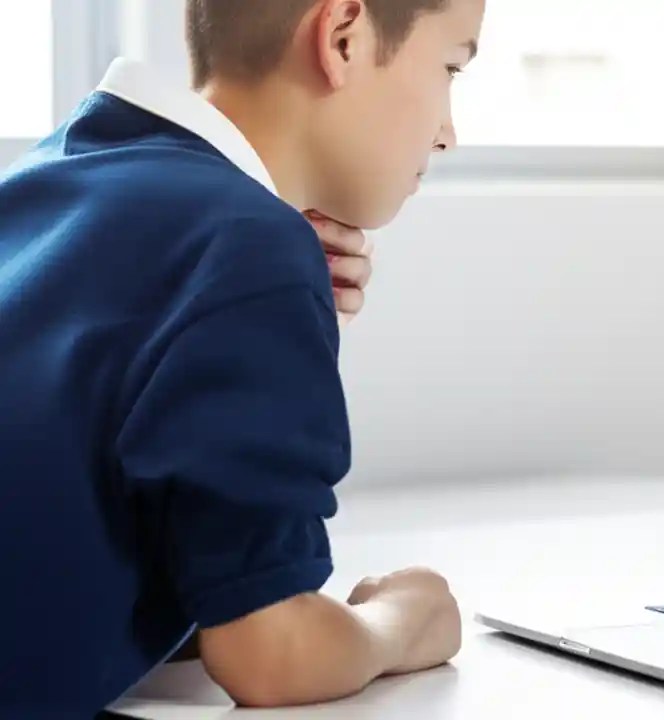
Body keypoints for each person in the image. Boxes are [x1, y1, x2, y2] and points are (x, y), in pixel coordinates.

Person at [0, 0, 485, 715]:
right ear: (343, 36)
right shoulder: (250, 247)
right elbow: (271, 654)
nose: (449, 133)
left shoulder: (41, 181)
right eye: (450, 68)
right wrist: (403, 622)